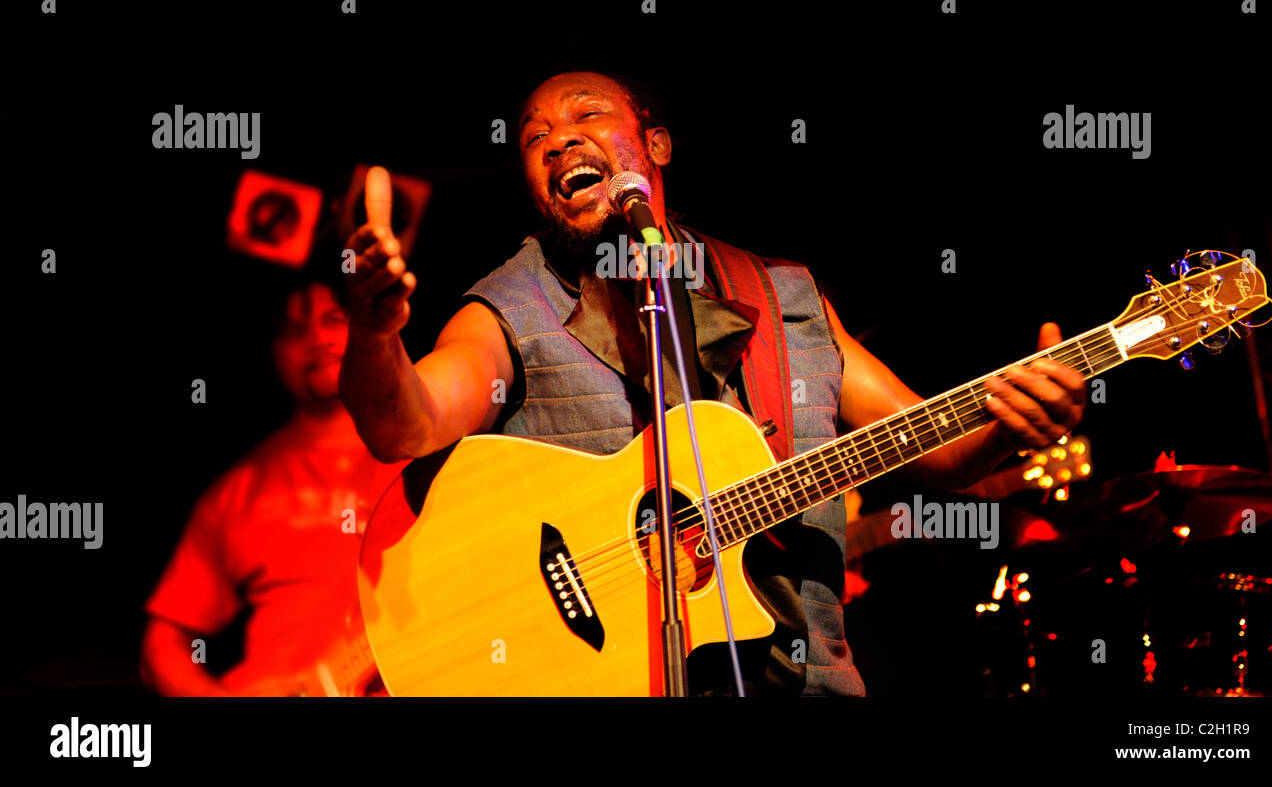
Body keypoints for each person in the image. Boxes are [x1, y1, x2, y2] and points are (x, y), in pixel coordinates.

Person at [339, 70, 1086, 695]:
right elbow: (407, 423)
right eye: (534, 138)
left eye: (586, 115)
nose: (558, 138)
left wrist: (1011, 426)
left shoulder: (782, 298)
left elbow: (933, 449)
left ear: (655, 145)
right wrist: (375, 333)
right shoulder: (512, 304)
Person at [140, 275, 399, 696]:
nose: (317, 337)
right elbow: (162, 642)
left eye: (334, 319)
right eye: (296, 329)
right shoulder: (239, 488)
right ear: (273, 352)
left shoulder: (423, 453)